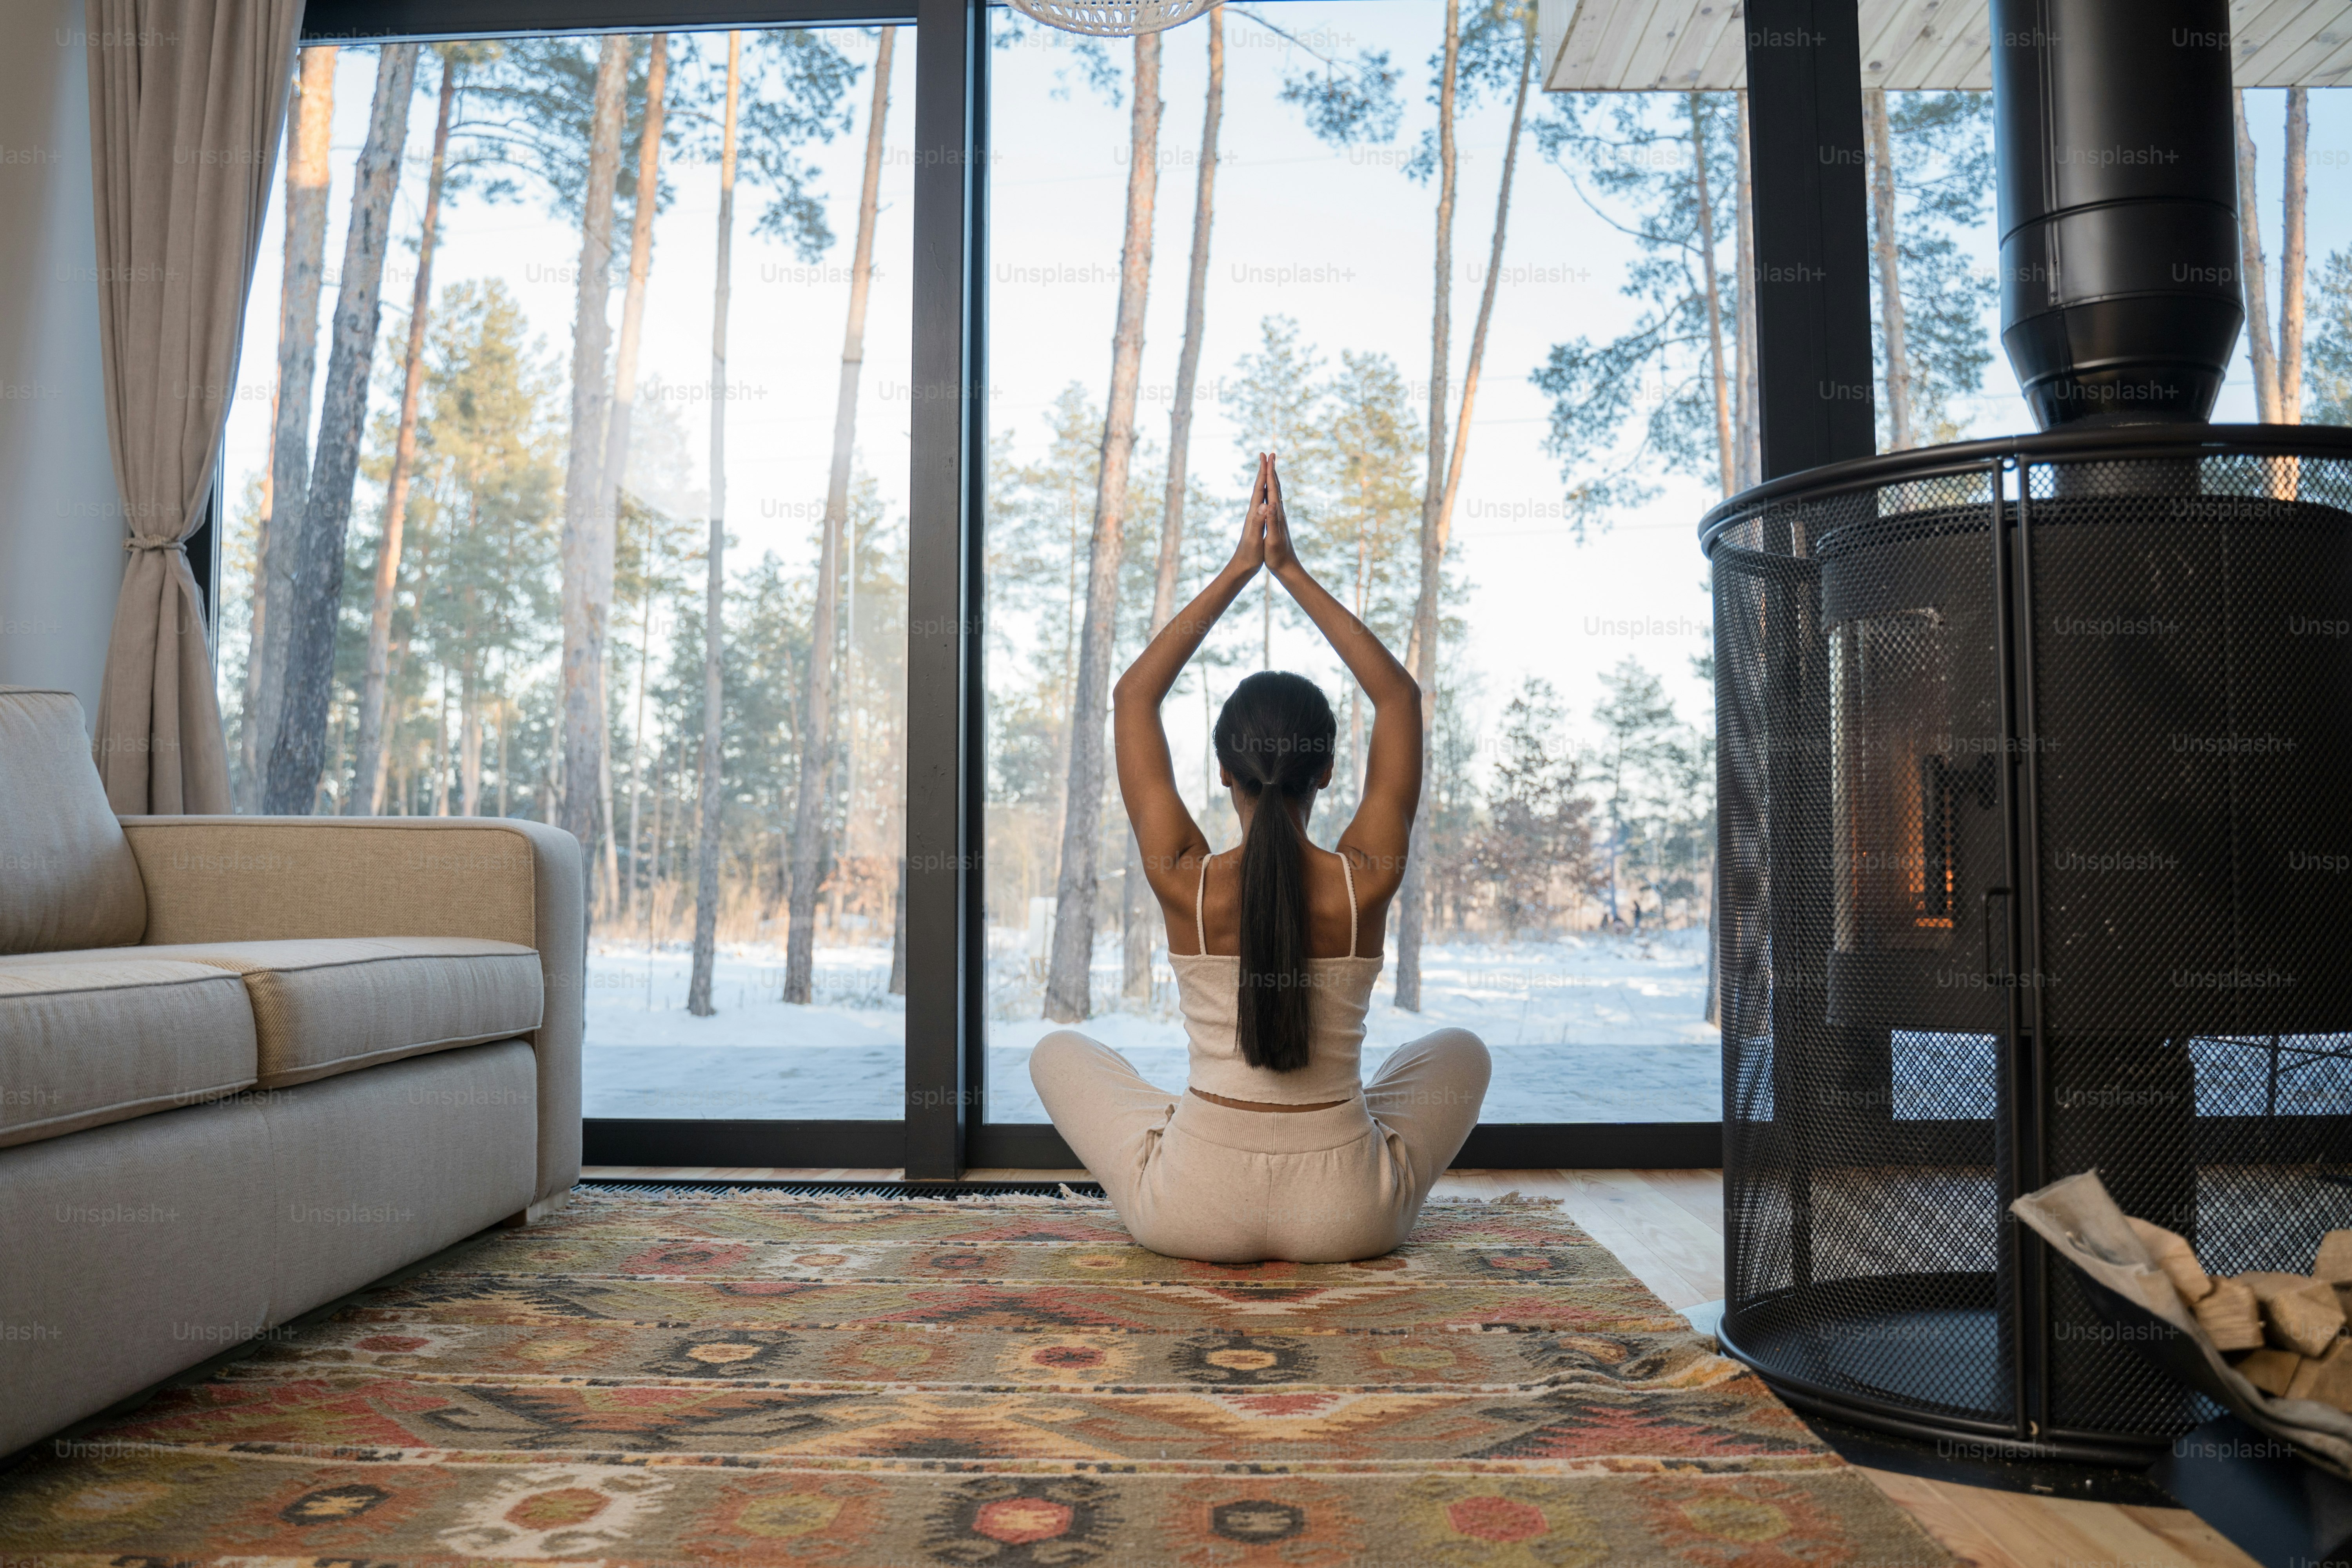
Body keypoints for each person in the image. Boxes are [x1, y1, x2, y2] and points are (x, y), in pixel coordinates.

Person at [1029, 452, 1489, 1263]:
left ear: (1223, 772)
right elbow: (1398, 698)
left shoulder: (1187, 879)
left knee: (1056, 1052)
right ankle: (1322, 1133)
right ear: (1328, 772)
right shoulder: (1362, 884)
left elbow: (1134, 695)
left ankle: (1193, 1124)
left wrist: (1242, 568)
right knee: (1463, 1051)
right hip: (1350, 1216)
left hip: (1189, 1208)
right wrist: (1293, 572)